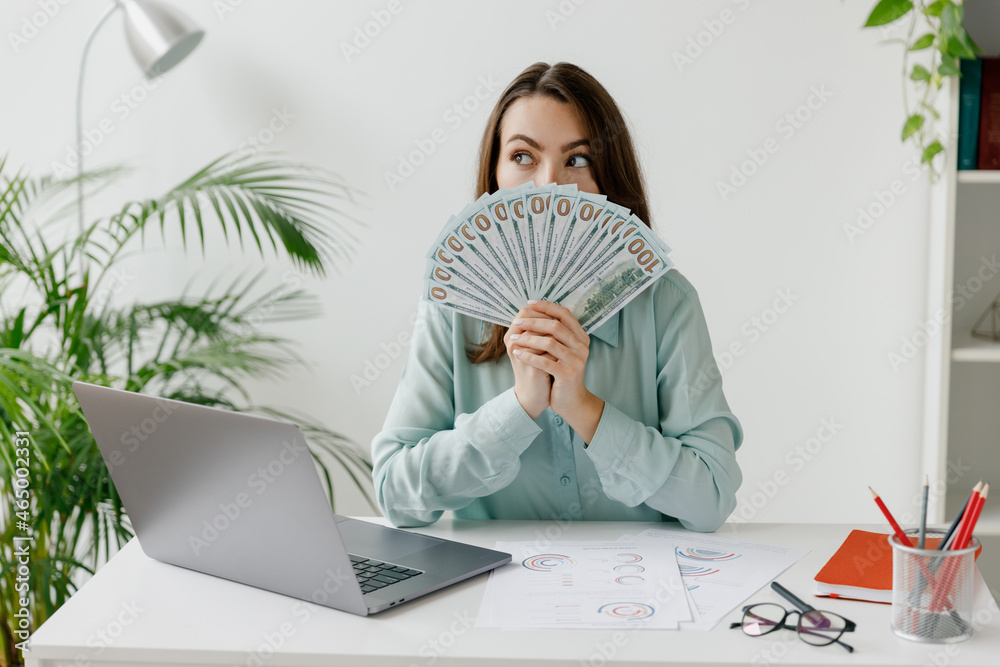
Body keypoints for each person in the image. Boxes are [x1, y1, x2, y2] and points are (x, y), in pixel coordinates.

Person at [371, 62, 742, 532]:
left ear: (609, 177)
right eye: (523, 156)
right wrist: (519, 406)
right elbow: (396, 497)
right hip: (494, 575)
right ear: (494, 175)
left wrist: (583, 408)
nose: (549, 185)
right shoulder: (453, 306)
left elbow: (710, 499)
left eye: (578, 159)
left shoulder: (666, 302)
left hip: (639, 576)